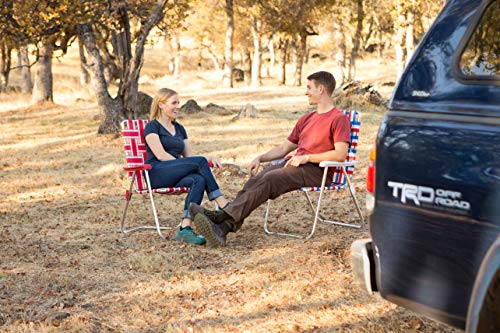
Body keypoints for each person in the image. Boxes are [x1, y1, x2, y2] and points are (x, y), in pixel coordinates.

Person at [189, 71, 352, 247]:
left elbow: (340, 154)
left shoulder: (338, 119)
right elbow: (284, 148)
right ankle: (224, 226)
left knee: (270, 179)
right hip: (295, 165)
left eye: (309, 88)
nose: (306, 92)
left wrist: (307, 158)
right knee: (256, 179)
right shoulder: (307, 118)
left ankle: (222, 218)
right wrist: (261, 157)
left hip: (318, 170)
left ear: (321, 89)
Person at [144, 88, 231, 245]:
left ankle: (185, 229)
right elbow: (160, 155)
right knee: (198, 164)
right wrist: (184, 164)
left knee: (198, 180)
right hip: (156, 173)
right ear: (161, 105)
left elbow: (190, 158)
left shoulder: (179, 128)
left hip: (175, 173)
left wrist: (208, 158)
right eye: (174, 103)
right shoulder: (152, 127)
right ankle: (224, 205)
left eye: (179, 102)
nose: (178, 106)